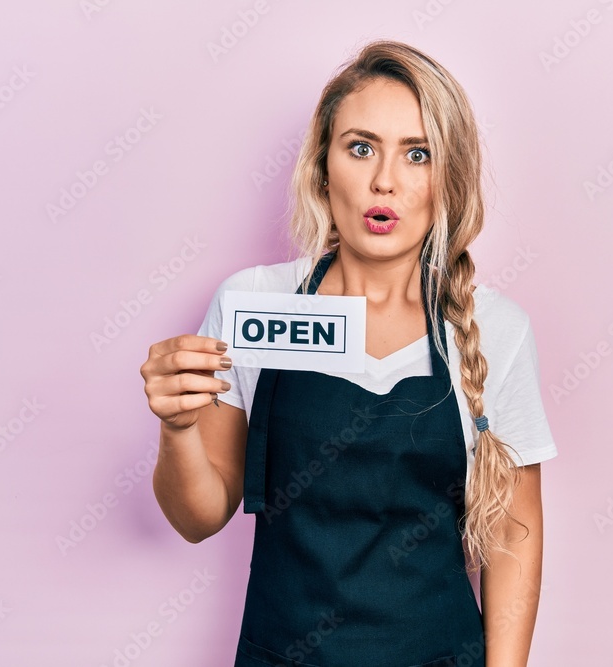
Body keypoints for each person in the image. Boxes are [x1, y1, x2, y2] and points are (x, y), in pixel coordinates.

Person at [141, 39, 558, 666]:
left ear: (448, 177)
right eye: (360, 148)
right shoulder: (256, 304)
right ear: (322, 166)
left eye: (417, 154)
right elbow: (198, 517)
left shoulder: (496, 330)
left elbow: (511, 533)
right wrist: (177, 429)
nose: (383, 180)